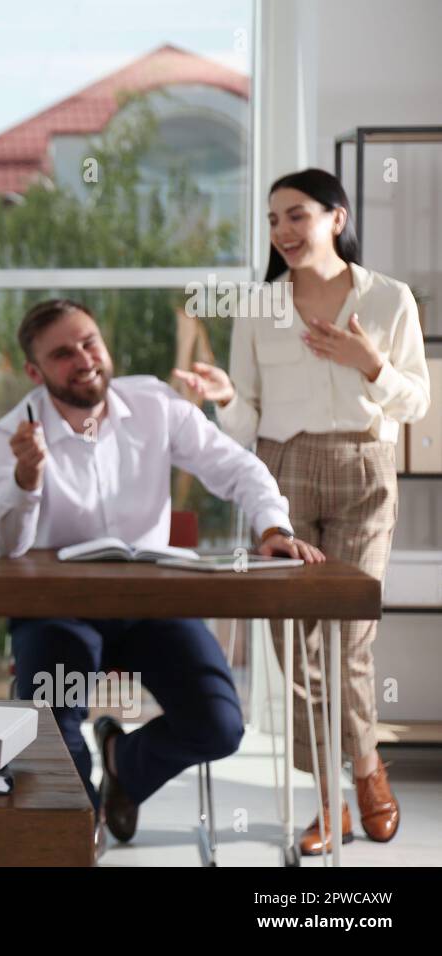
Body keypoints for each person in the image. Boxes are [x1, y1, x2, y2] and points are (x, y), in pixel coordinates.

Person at [0, 298, 323, 845]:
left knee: (218, 724)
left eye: (89, 342)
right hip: (59, 611)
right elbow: (7, 542)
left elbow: (236, 467)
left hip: (153, 605)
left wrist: (273, 529)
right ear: (35, 371)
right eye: (63, 353)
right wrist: (27, 479)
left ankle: (124, 760)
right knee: (51, 726)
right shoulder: (13, 433)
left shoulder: (154, 404)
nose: (84, 359)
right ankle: (79, 828)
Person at [174, 168, 430, 854]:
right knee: (295, 646)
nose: (283, 231)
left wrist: (369, 362)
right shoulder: (260, 308)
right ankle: (327, 800)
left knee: (349, 642)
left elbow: (417, 405)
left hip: (365, 472)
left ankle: (368, 770)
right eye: (273, 220)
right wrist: (226, 396)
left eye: (297, 216)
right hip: (284, 473)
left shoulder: (390, 300)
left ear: (335, 218)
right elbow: (248, 419)